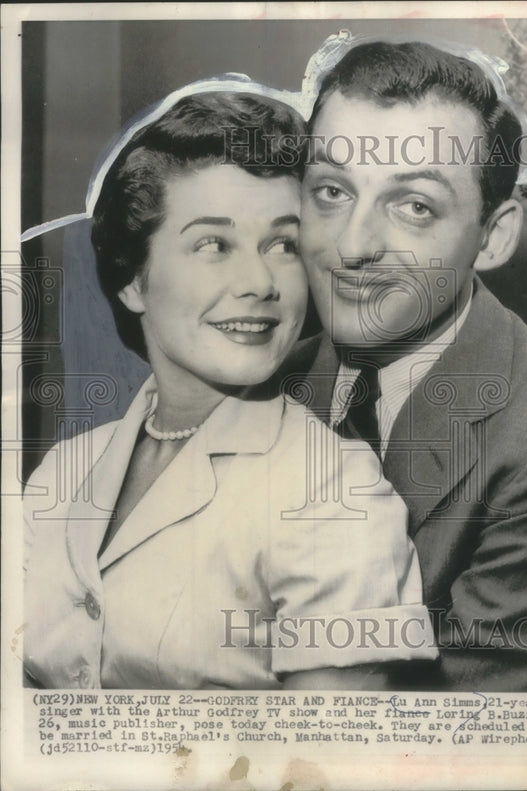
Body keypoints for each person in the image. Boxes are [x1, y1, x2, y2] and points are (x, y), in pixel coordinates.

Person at [22, 89, 437, 690]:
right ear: (134, 279)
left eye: (285, 245)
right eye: (214, 244)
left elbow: (331, 766)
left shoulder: (336, 489)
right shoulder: (62, 473)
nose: (260, 283)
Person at [286, 40, 527, 690]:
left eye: (415, 206)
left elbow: (441, 741)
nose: (352, 246)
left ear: (493, 236)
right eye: (333, 190)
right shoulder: (258, 379)